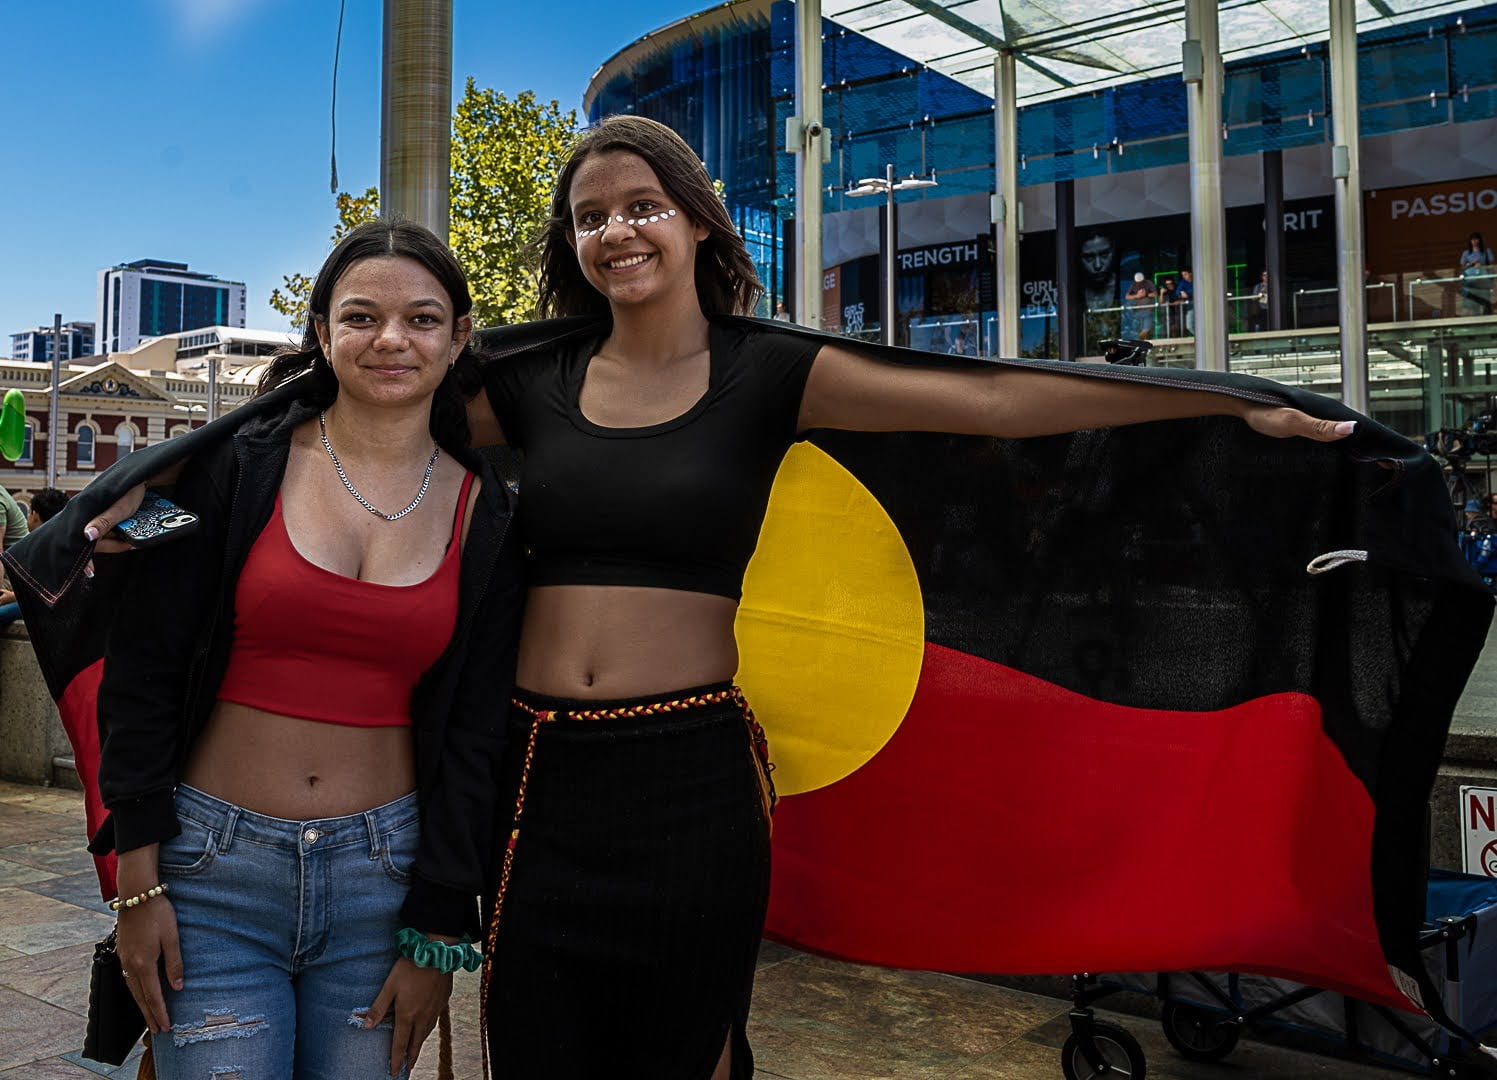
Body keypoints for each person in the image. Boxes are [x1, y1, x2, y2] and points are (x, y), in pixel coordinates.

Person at [458, 115, 1350, 1079]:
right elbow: (378, 393)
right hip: (538, 772)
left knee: (688, 1048)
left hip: (690, 773)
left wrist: (1221, 399)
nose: (617, 233)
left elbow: (998, 403)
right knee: (538, 1047)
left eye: (643, 207)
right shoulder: (531, 383)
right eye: (590, 218)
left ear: (699, 223)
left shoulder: (769, 373)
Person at [70, 222, 524, 1078]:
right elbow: (145, 664)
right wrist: (138, 878)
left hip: (383, 885)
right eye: (360, 317)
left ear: (460, 336)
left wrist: (437, 930)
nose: (390, 340)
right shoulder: (229, 471)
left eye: (422, 319)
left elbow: (474, 735)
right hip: (210, 873)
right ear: (320, 333)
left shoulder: (488, 513)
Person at [0, 489, 67, 627]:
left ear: (35, 515)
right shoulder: (58, 541)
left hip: (42, 605)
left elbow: (49, 592)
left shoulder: (41, 545)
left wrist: (12, 597)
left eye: (29, 513)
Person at [1459, 231, 1495, 316]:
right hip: (1471, 281)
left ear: (1479, 240)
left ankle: (1487, 318)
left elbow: (1492, 264)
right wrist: (1471, 264)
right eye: (1472, 239)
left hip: (1484, 280)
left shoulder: (1486, 251)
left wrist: (1482, 265)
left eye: (1476, 239)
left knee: (1486, 301)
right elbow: (1462, 267)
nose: (1474, 241)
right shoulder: (1466, 253)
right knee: (1474, 303)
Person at [1124, 271, 1156, 340]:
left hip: (1148, 310)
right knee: (1138, 329)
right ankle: (1141, 340)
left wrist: (1146, 294)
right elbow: (1127, 296)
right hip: (1138, 311)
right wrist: (1137, 296)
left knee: (1147, 328)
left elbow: (1155, 294)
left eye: (1141, 282)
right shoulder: (1134, 285)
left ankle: (1142, 338)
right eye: (1138, 282)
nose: (1139, 284)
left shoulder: (1148, 283)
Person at [1176, 267, 1195, 334]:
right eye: (1183, 275)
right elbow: (1177, 291)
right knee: (1189, 326)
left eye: (1185, 274)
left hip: (1201, 306)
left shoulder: (1197, 279)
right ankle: (1199, 336)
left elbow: (1197, 290)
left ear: (1190, 273)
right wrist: (1181, 293)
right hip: (1191, 307)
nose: (1184, 276)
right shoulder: (1183, 282)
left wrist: (1187, 293)